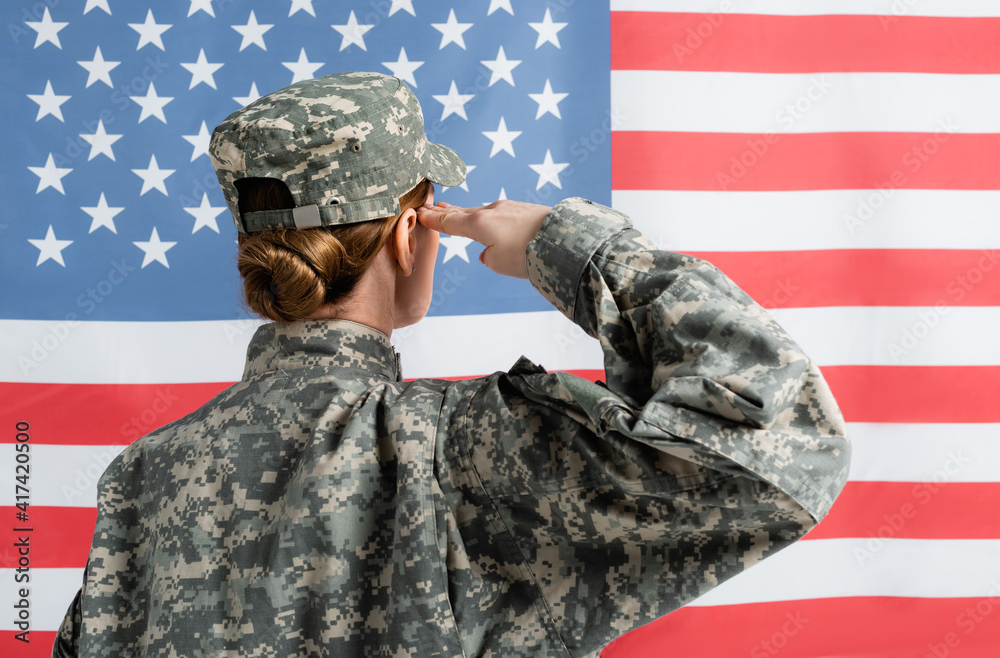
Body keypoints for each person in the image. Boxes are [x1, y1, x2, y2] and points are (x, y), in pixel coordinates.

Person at [53, 72, 851, 657]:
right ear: (409, 234)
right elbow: (778, 436)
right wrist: (569, 246)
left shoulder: (142, 479)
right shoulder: (457, 447)